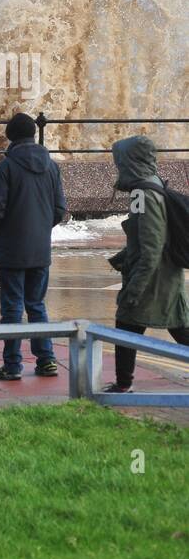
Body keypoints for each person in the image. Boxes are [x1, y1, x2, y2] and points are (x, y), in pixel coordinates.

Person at [0, 112, 67, 380]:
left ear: (10, 138)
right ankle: (47, 360)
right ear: (33, 134)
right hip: (40, 249)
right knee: (37, 305)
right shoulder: (52, 166)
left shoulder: (6, 168)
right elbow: (59, 209)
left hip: (11, 250)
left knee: (12, 308)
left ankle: (12, 365)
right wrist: (41, 230)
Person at [105, 135, 189, 393]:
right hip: (166, 274)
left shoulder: (141, 192)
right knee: (178, 326)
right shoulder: (153, 183)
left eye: (119, 161)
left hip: (153, 277)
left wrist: (135, 287)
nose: (117, 166)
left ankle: (123, 384)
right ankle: (123, 382)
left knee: (126, 322)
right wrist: (124, 256)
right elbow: (145, 235)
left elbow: (151, 245)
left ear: (130, 161)